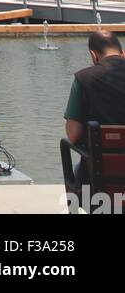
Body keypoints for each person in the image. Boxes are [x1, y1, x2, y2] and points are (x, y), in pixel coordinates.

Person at [63, 31, 125, 195]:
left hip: (101, 184)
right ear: (123, 53)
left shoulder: (84, 79)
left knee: (79, 169)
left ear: (94, 55)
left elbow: (73, 134)